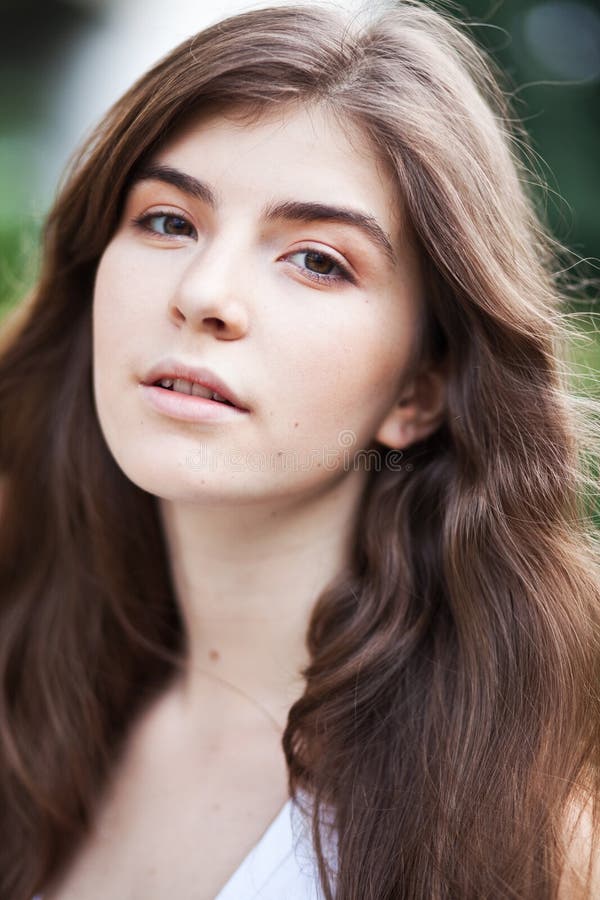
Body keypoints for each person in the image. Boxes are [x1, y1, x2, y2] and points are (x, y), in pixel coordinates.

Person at [1, 0, 599, 897]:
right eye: (168, 221)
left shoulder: (519, 824)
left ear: (418, 392)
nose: (205, 293)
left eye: (318, 259)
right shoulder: (21, 686)